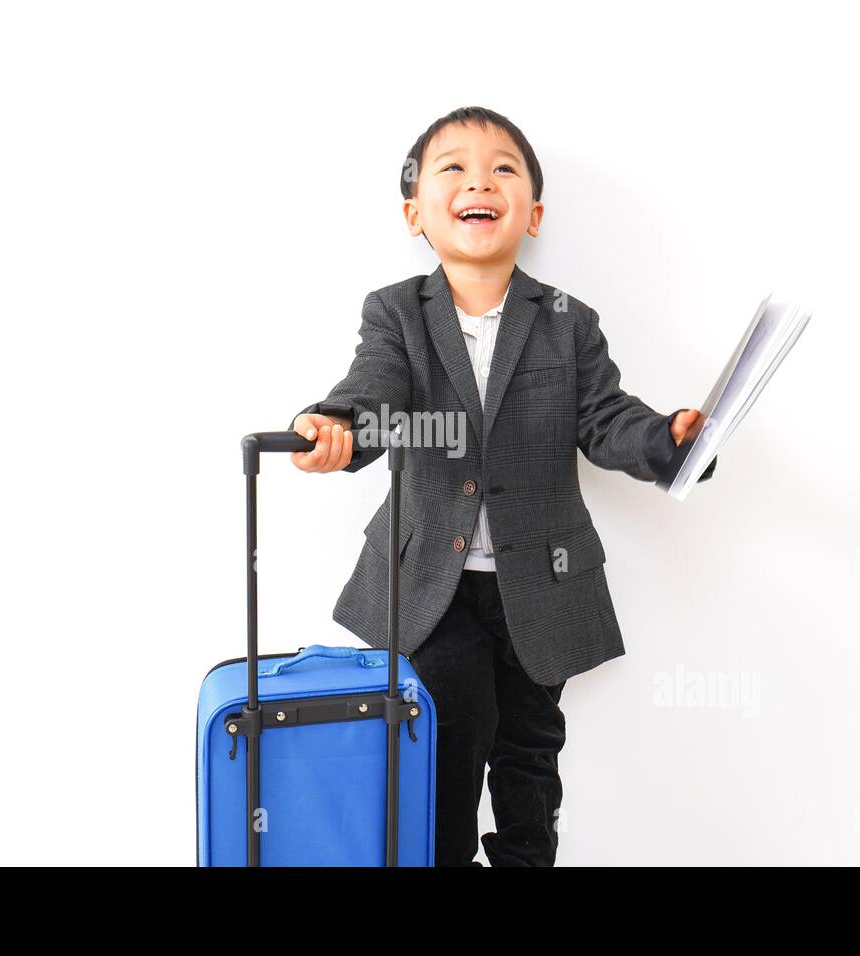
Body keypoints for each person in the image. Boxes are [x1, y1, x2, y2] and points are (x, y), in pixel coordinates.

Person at [287, 106, 716, 867]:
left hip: (540, 585)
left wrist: (668, 439)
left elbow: (605, 417)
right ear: (414, 210)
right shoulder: (396, 312)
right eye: (452, 167)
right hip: (431, 586)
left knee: (530, 755)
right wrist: (336, 429)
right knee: (453, 734)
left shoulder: (567, 321)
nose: (478, 180)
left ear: (535, 213)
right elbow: (373, 394)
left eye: (503, 169)